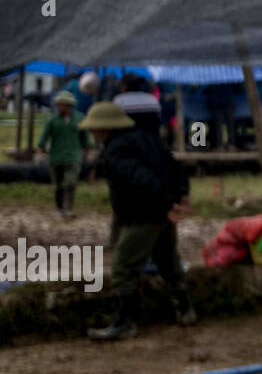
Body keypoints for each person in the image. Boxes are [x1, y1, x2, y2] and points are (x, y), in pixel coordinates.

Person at [80, 101, 197, 340]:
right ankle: (186, 309)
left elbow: (140, 178)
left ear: (105, 128)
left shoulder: (117, 150)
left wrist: (166, 204)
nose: (91, 133)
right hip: (162, 212)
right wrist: (179, 196)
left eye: (94, 128)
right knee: (168, 261)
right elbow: (174, 166)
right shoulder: (147, 139)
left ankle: (124, 322)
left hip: (143, 214)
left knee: (124, 265)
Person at [37, 90, 90, 218]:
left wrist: (86, 151)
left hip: (74, 156)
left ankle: (67, 209)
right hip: (56, 157)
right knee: (59, 185)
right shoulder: (52, 121)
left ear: (69, 105)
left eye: (61, 104)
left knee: (70, 183)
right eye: (57, 104)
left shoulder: (79, 118)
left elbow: (85, 138)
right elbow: (43, 139)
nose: (58, 107)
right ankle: (60, 207)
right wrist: (42, 149)